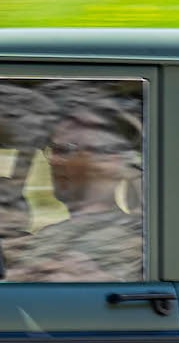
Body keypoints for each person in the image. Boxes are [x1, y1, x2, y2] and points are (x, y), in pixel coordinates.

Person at [10, 102, 145, 281]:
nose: (52, 160)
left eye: (65, 150)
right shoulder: (49, 234)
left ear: (111, 160)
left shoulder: (139, 238)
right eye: (51, 149)